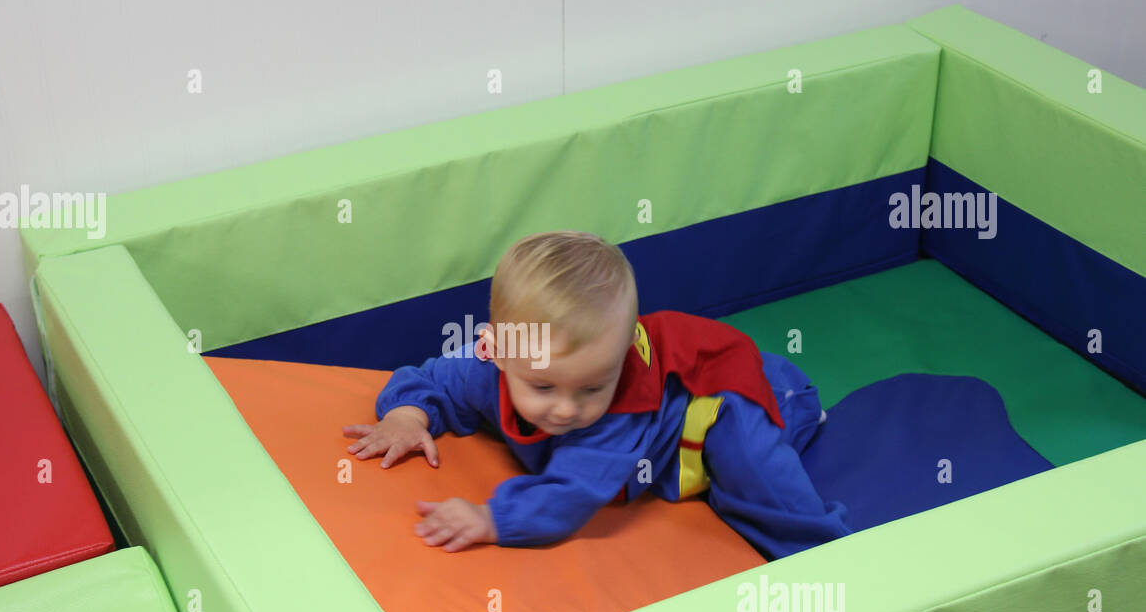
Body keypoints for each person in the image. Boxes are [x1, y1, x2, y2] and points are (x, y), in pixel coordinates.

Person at [343, 230, 851, 558]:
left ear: (620, 358)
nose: (567, 409)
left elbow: (571, 492)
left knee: (753, 471)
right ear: (493, 350)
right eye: (543, 387)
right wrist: (407, 416)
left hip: (735, 399)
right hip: (679, 428)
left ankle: (833, 557)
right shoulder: (492, 364)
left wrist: (491, 518)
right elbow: (428, 376)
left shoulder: (614, 415)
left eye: (593, 386)